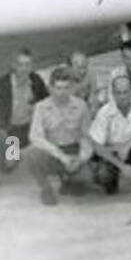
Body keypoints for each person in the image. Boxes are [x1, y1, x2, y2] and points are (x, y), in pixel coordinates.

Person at [26, 66, 95, 205]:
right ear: (50, 88)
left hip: (73, 149)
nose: (62, 93)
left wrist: (81, 159)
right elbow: (35, 136)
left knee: (87, 178)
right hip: (49, 149)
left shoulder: (81, 105)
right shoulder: (41, 107)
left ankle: (68, 179)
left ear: (72, 88)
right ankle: (45, 188)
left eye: (66, 88)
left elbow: (87, 136)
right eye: (58, 88)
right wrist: (61, 157)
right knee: (29, 153)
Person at [0, 49, 48, 165]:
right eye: (20, 65)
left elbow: (47, 102)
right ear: (13, 65)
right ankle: (5, 155)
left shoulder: (36, 80)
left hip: (30, 128)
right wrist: (6, 135)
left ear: (31, 66)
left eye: (27, 65)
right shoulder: (1, 85)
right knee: (10, 165)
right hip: (12, 130)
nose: (24, 69)